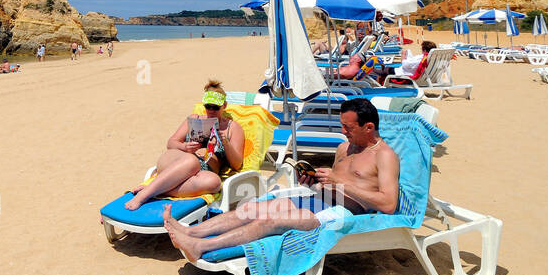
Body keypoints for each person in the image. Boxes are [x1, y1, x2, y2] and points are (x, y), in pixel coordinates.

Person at [162, 98, 400, 261]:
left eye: (348, 127)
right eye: (342, 126)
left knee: (269, 222)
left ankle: (201, 246)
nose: (343, 132)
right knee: (250, 210)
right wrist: (313, 180)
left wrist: (341, 185)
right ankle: (192, 232)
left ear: (369, 127)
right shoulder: (344, 148)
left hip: (342, 214)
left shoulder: (385, 156)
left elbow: (388, 204)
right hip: (317, 198)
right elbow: (334, 180)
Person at [124, 81, 245, 211]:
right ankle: (143, 196)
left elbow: (237, 164)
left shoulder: (232, 128)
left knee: (214, 183)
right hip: (177, 160)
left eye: (215, 107)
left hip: (204, 172)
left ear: (224, 105)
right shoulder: (195, 118)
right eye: (207, 106)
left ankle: (156, 189)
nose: (211, 110)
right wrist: (185, 147)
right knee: (191, 161)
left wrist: (225, 142)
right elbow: (171, 143)